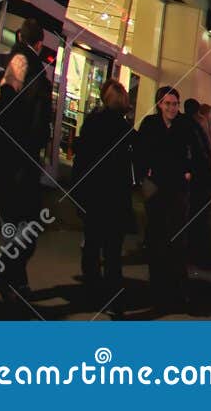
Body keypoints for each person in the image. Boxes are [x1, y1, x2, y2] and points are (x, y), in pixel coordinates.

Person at [0, 18, 54, 301]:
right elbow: (38, 127)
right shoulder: (37, 72)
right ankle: (7, 275)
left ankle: (10, 277)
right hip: (22, 162)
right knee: (26, 224)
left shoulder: (0, 62)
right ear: (38, 44)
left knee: (13, 221)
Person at [71, 78, 133, 306]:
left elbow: (83, 157)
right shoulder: (126, 130)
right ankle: (112, 291)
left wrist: (77, 188)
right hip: (116, 195)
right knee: (113, 248)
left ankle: (92, 288)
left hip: (94, 193)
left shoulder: (93, 122)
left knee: (92, 243)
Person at [132, 85, 191, 313]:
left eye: (175, 104)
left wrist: (189, 171)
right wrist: (143, 179)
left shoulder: (184, 126)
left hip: (177, 190)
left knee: (176, 240)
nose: (172, 108)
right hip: (156, 189)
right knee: (156, 239)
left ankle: (177, 290)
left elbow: (192, 151)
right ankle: (157, 289)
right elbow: (140, 152)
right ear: (159, 104)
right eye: (167, 104)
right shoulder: (150, 124)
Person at [180, 99, 211, 269]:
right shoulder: (197, 126)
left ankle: (190, 248)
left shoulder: (184, 124)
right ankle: (194, 250)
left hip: (194, 177)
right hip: (197, 178)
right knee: (196, 214)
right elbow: (203, 152)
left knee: (191, 213)